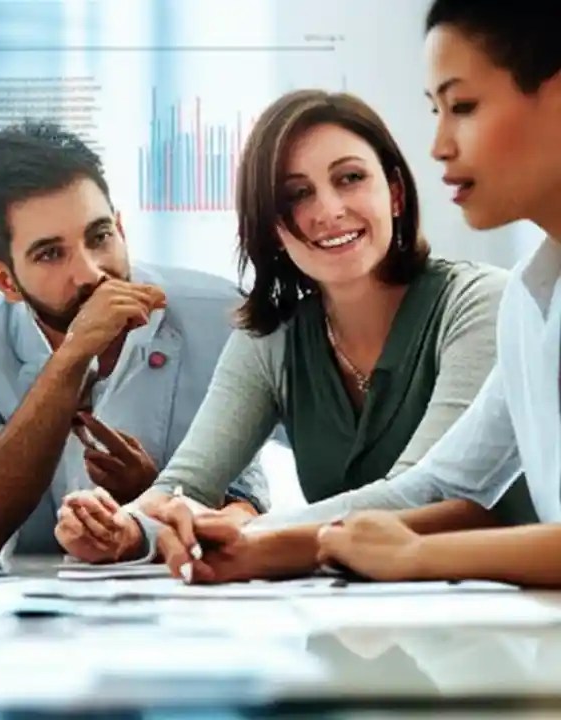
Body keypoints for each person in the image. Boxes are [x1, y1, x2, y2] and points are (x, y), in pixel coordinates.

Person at [54, 89, 515, 577]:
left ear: (395, 194)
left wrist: (249, 534)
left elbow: (427, 492)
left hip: (517, 615)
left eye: (351, 178)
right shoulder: (268, 339)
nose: (329, 209)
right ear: (273, 227)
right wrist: (120, 527)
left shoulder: (479, 303)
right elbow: (187, 485)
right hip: (356, 622)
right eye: (297, 194)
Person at [0, 119, 269, 556]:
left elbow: (252, 506)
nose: (91, 272)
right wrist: (72, 355)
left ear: (121, 228)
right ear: (5, 280)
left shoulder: (219, 314)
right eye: (50, 254)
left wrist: (152, 493)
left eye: (100, 236)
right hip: (32, 613)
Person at [314, 0, 561, 587]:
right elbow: (443, 484)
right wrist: (262, 545)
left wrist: (420, 558)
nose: (439, 145)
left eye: (464, 107)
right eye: (436, 111)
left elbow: (420, 536)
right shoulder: (531, 298)